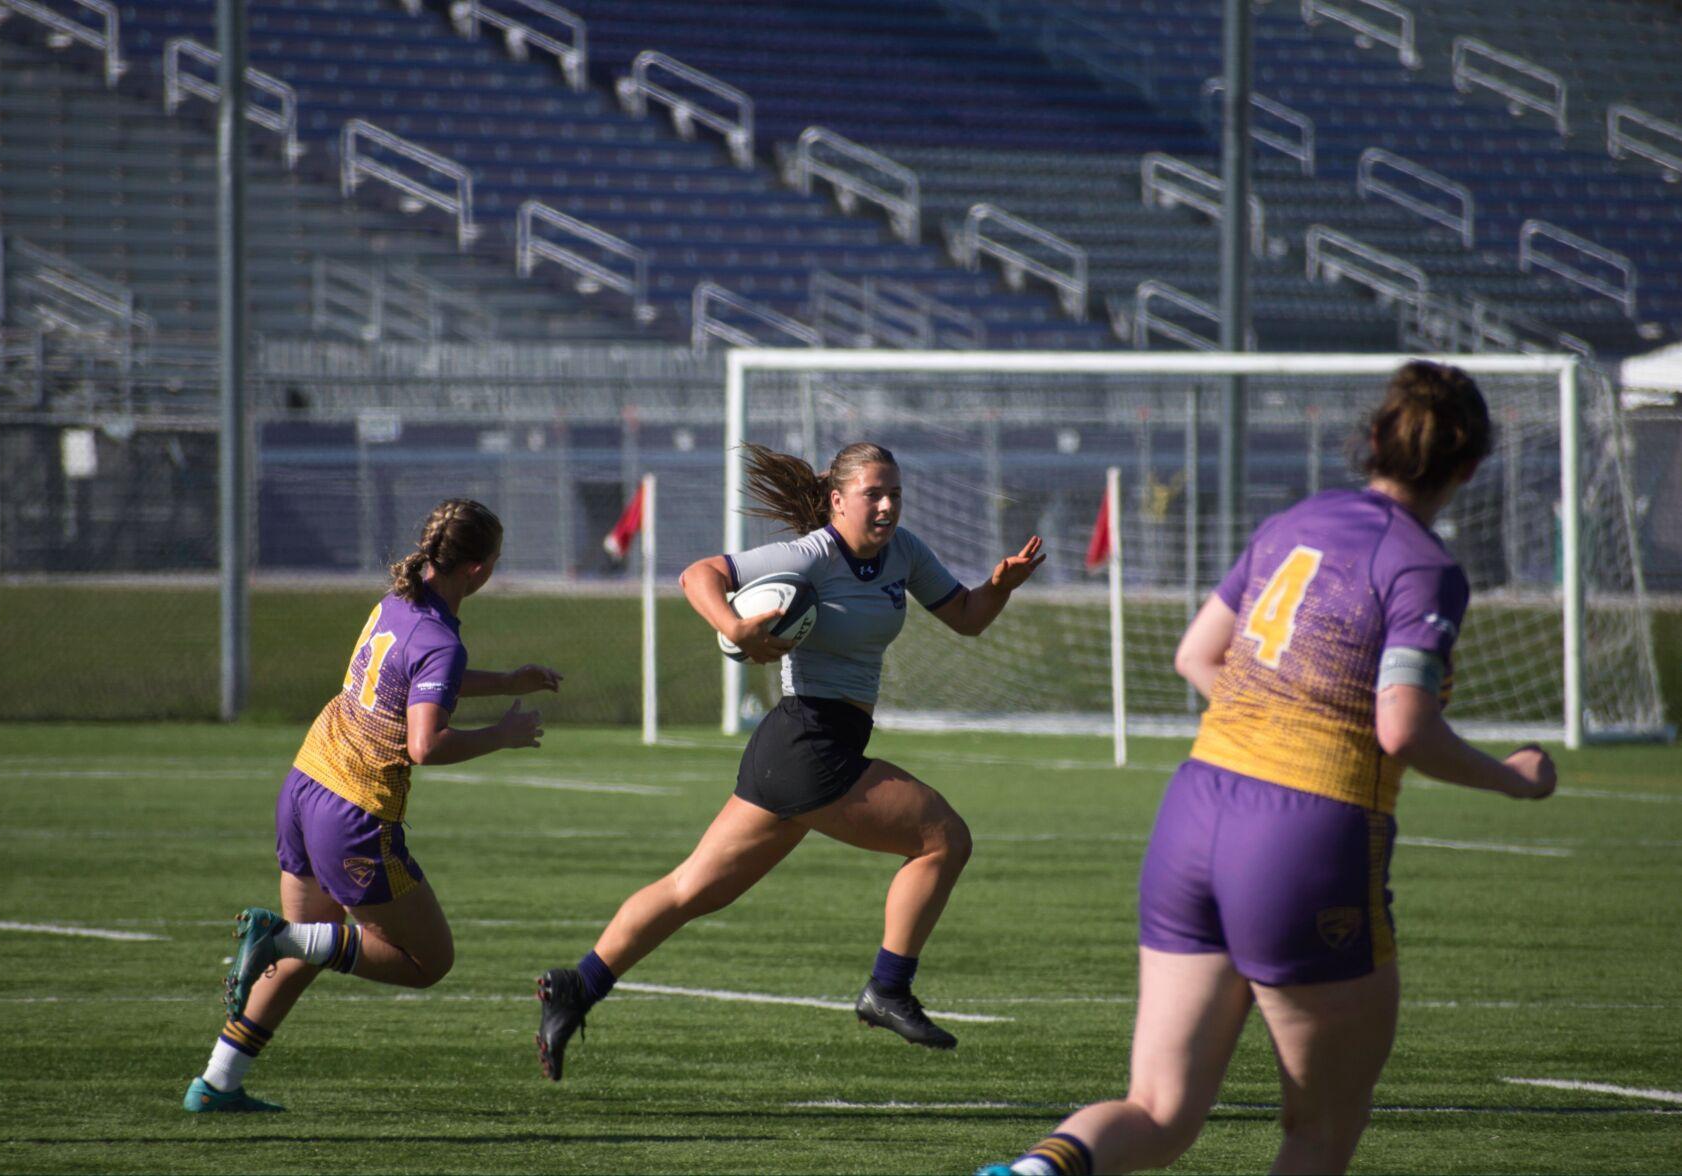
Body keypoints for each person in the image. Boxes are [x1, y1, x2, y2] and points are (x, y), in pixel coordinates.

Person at [981, 361, 1558, 1176]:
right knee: (1318, 1129)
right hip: (1305, 834)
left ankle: (1039, 1172)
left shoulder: (1296, 520)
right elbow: (1400, 726)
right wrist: (1512, 775)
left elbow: (1195, 655)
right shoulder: (1425, 565)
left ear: (1370, 441)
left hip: (1196, 810)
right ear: (1468, 469)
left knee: (1159, 1110)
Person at [533, 441, 1046, 1081]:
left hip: (797, 749)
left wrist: (998, 585)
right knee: (943, 839)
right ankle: (888, 989)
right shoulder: (810, 555)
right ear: (837, 500)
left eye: (895, 494)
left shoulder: (904, 552)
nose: (887, 506)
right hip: (810, 743)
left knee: (692, 889)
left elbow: (967, 618)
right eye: (873, 494)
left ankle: (577, 984)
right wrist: (736, 627)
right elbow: (699, 574)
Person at [183, 498, 557, 1113]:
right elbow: (425, 741)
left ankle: (217, 1082)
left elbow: (418, 679)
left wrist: (507, 681)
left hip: (305, 786)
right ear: (479, 570)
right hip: (353, 813)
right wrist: (503, 733)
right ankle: (276, 941)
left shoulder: (395, 603)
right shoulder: (441, 639)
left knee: (307, 945)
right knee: (427, 960)